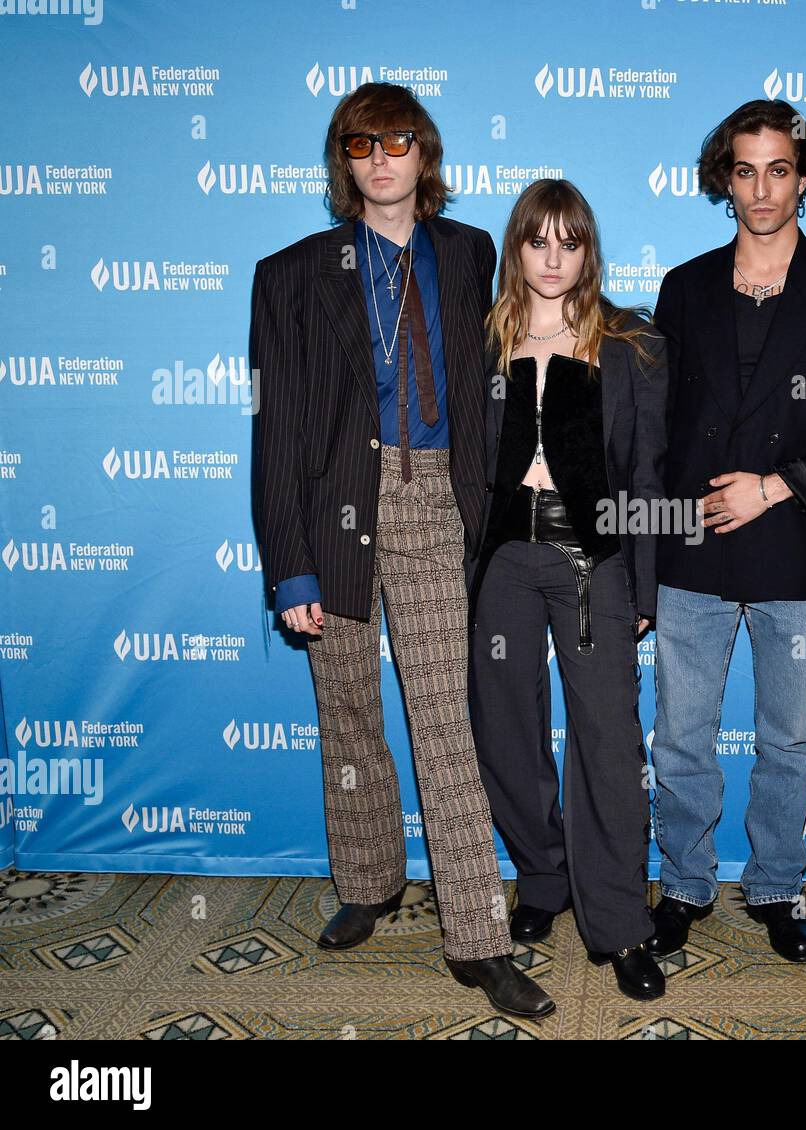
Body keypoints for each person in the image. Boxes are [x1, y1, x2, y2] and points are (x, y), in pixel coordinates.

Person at [250, 81, 551, 1018]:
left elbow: (509, 375)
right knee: (346, 715)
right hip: (332, 504)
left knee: (445, 727)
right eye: (360, 144)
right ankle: (369, 882)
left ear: (427, 155)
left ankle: (478, 940)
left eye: (399, 140)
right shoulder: (290, 272)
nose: (381, 158)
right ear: (343, 162)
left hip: (435, 504)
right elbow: (280, 434)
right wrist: (290, 564)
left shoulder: (468, 256)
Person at [648, 99, 806, 963]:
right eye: (744, 171)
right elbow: (653, 432)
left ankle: (779, 888)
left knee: (789, 737)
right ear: (724, 178)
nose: (761, 189)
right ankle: (682, 883)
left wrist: (778, 487)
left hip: (794, 547)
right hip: (691, 547)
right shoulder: (682, 288)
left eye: (778, 169)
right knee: (682, 735)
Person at [467, 179, 669, 1002]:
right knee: (504, 731)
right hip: (507, 558)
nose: (553, 259)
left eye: (570, 242)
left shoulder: (629, 340)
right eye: (537, 242)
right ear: (517, 248)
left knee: (609, 746)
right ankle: (544, 878)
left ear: (589, 251)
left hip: (597, 563)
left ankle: (620, 924)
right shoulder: (484, 340)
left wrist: (645, 580)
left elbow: (649, 468)